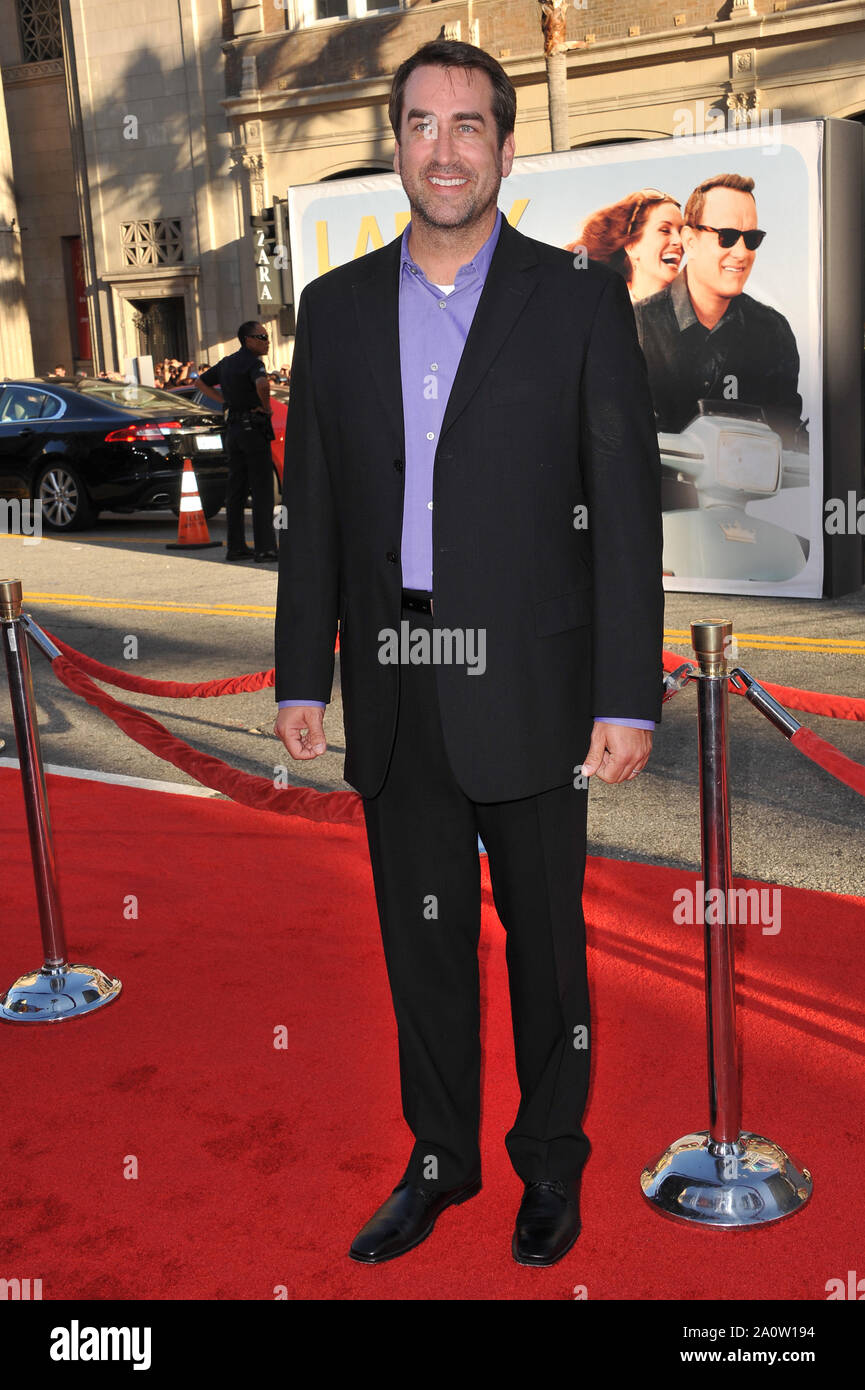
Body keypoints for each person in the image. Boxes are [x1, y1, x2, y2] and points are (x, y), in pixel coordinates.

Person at [273, 39, 663, 1267]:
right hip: (396, 681)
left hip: (536, 684)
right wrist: (300, 670)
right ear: (396, 142)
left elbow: (625, 512)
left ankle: (550, 1166)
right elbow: (316, 506)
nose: (443, 149)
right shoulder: (334, 310)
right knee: (422, 942)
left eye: (467, 126)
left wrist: (626, 694)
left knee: (548, 950)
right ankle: (438, 1160)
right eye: (420, 125)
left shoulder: (577, 297)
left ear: (505, 147)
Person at [633, 173, 805, 448]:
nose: (741, 253)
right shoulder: (635, 324)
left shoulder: (774, 331)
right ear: (690, 241)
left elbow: (788, 441)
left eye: (752, 239)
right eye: (727, 237)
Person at [197, 321, 278, 561]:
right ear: (248, 339)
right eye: (261, 336)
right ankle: (265, 548)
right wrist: (266, 407)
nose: (267, 341)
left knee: (236, 491)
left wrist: (224, 401)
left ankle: (236, 547)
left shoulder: (227, 362)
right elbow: (262, 384)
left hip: (233, 429)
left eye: (267, 336)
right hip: (253, 429)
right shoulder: (253, 363)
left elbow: (199, 382)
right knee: (262, 491)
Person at [567, 188, 684, 301]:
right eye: (665, 230)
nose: (679, 240)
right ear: (632, 246)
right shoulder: (604, 305)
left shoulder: (695, 308)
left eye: (681, 232)